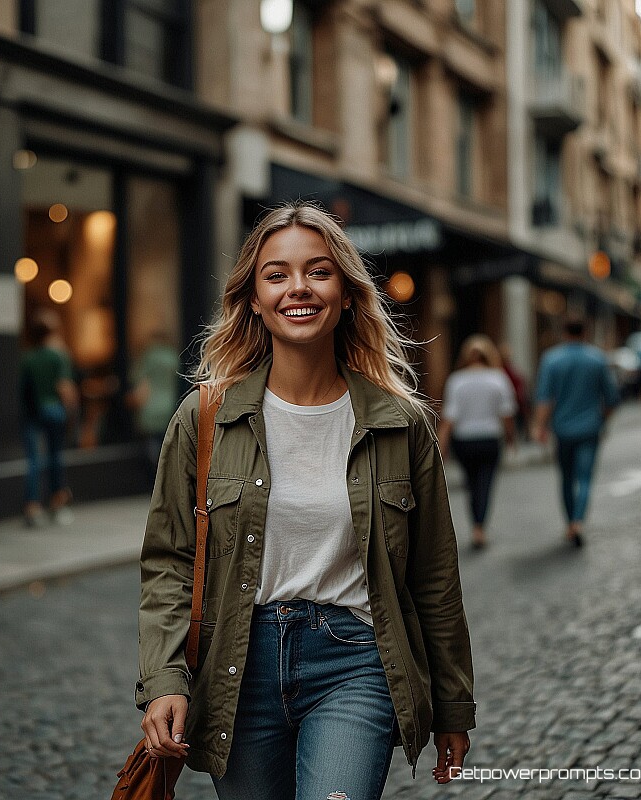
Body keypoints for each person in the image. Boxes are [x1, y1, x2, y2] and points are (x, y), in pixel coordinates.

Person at [137, 202, 475, 800]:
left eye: (319, 271)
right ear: (254, 301)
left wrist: (452, 703)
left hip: (355, 663)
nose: (299, 288)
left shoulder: (401, 425)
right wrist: (165, 677)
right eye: (276, 275)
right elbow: (170, 558)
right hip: (239, 666)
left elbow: (434, 577)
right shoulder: (206, 417)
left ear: (347, 293)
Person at [532, 317, 620, 547]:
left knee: (566, 478)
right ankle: (579, 521)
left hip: (562, 430)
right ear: (586, 332)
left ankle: (570, 521)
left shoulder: (551, 359)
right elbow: (611, 397)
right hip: (590, 428)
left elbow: (544, 399)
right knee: (585, 478)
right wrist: (602, 419)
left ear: (564, 332)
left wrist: (539, 426)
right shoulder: (598, 359)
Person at [438, 335, 516, 549]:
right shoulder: (498, 378)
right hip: (490, 439)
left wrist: (441, 446)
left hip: (463, 441)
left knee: (471, 483)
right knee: (485, 483)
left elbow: (449, 419)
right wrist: (511, 439)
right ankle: (479, 526)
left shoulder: (456, 380)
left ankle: (476, 524)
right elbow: (507, 414)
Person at [19, 309, 78, 527]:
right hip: (54, 412)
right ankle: (57, 502)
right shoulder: (58, 356)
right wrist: (72, 414)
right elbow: (65, 389)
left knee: (34, 460)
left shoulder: (27, 358)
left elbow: (23, 391)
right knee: (54, 457)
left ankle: (32, 506)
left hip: (32, 414)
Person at [125, 332, 180, 472]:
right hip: (168, 404)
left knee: (153, 446)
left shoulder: (149, 357)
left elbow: (142, 383)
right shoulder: (172, 356)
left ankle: (156, 475)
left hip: (151, 405)